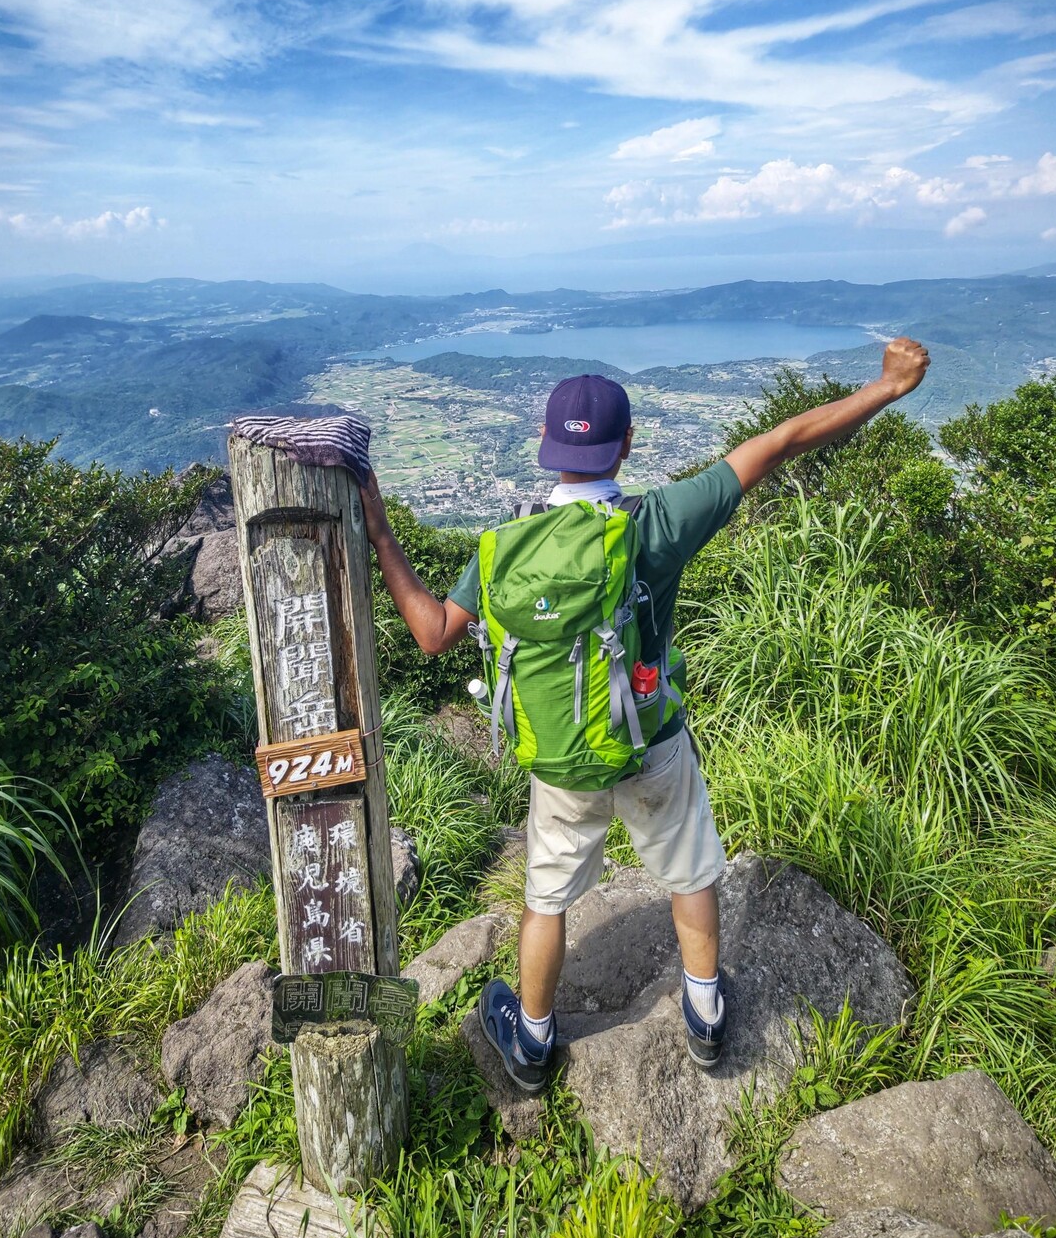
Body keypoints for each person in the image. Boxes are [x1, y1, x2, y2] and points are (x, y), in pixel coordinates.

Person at [358, 336, 929, 1093]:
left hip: (560, 761)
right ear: (628, 446)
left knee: (545, 898)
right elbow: (781, 442)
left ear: (544, 445)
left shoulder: (503, 548)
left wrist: (380, 532)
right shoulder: (657, 522)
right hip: (652, 741)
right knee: (689, 871)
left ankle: (531, 1043)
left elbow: (431, 635)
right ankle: (704, 1018)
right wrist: (886, 388)